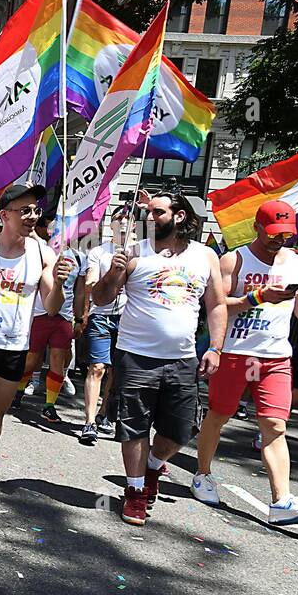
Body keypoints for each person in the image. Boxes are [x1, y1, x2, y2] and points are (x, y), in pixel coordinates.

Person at [92, 188, 227, 526]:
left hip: (183, 360)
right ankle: (135, 492)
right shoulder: (133, 252)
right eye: (148, 212)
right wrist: (112, 274)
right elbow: (102, 299)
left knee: (181, 430)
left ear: (179, 217)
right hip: (136, 356)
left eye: (157, 212)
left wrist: (216, 347)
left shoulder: (205, 256)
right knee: (133, 427)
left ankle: (153, 466)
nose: (149, 217)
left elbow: (218, 305)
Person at [0, 183, 72, 526]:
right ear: (4, 215)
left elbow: (51, 308)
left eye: (35, 210)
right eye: (24, 210)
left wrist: (61, 283)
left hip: (13, 347)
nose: (32, 216)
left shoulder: (43, 255)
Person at [191, 200, 298, 523]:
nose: (277, 239)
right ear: (256, 227)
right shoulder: (234, 259)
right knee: (219, 415)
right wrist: (257, 297)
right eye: (272, 233)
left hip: (276, 356)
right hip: (236, 353)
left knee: (274, 425)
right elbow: (216, 305)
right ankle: (202, 474)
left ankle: (281, 501)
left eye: (284, 234)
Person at [17, 225, 87, 424]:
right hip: (39, 312)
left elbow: (80, 291)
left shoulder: (80, 257)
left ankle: (49, 406)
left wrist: (80, 317)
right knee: (32, 358)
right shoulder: (42, 249)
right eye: (56, 228)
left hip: (63, 316)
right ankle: (19, 391)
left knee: (58, 359)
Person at [78, 203, 131, 445]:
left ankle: (103, 414)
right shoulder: (98, 252)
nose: (124, 221)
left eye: (129, 218)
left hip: (129, 319)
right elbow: (90, 282)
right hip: (101, 315)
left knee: (116, 372)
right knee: (97, 367)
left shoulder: (142, 253)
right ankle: (89, 422)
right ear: (111, 224)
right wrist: (100, 278)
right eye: (119, 217)